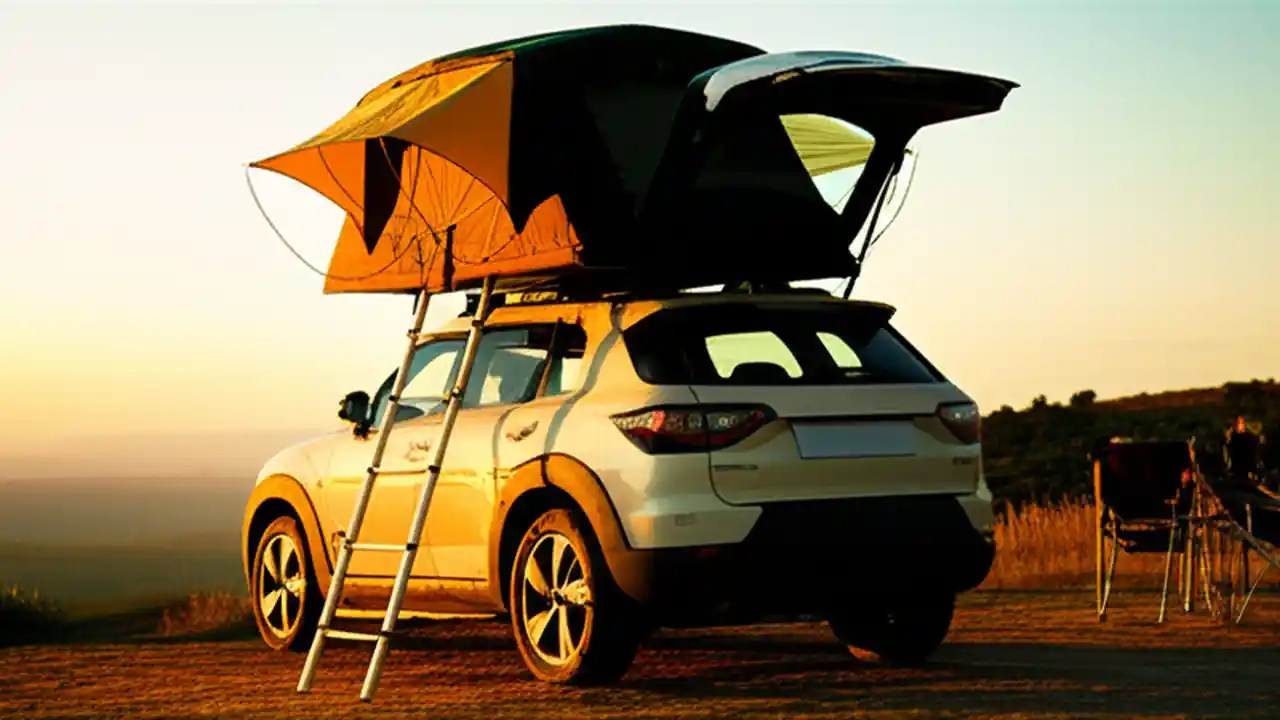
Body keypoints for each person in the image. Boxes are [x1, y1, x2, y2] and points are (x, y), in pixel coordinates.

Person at [1224, 416, 1263, 487]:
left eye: (1240, 423)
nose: (1238, 425)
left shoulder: (1251, 437)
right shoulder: (1234, 437)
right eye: (1236, 423)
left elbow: (1255, 453)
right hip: (1238, 468)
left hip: (1247, 467)